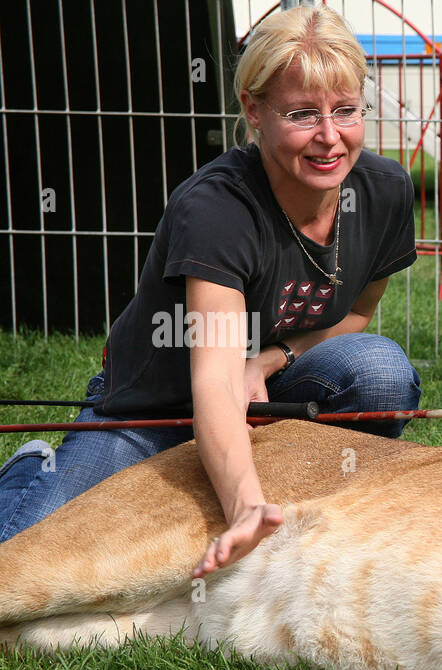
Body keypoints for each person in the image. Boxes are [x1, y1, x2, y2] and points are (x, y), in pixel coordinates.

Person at [0, 5, 420, 580]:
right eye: (302, 114)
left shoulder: (387, 191)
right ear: (253, 111)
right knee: (27, 554)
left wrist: (268, 362)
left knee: (381, 372)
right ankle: (30, 468)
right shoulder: (215, 208)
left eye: (346, 111)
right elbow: (215, 382)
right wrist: (244, 508)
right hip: (151, 411)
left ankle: (307, 486)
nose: (330, 138)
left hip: (265, 393)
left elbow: (356, 316)